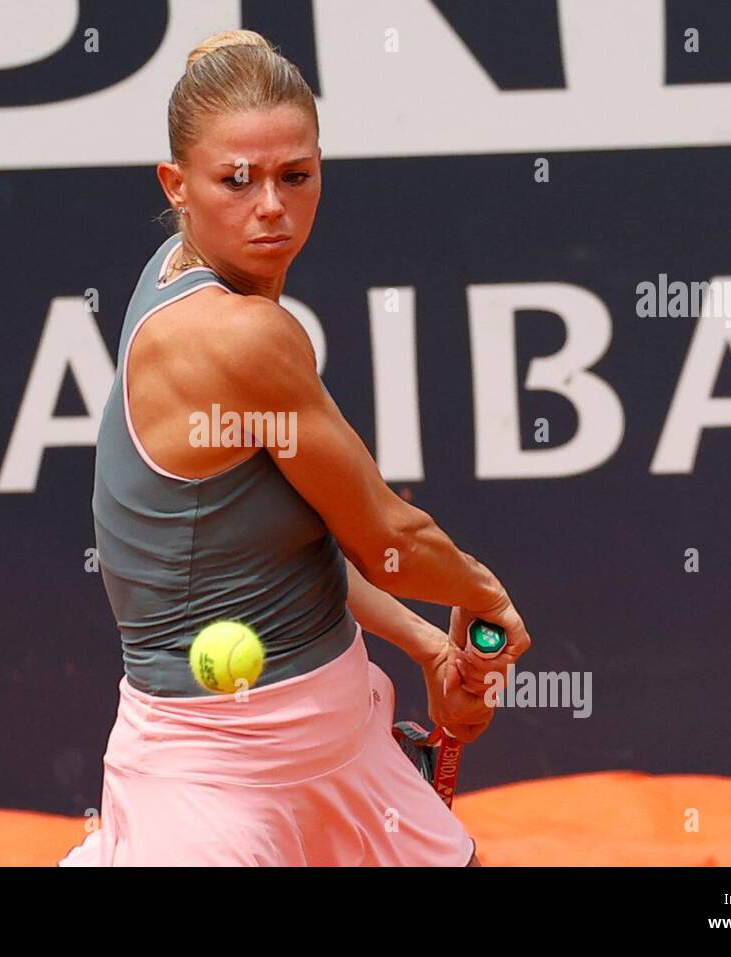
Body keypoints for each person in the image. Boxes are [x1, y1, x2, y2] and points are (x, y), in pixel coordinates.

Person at [58, 29, 530, 867]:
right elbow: (391, 540)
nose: (270, 203)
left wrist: (428, 645)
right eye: (236, 180)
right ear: (177, 185)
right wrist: (484, 596)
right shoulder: (238, 336)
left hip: (343, 737)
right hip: (208, 772)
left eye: (295, 175)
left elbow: (302, 554)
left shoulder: (182, 264)